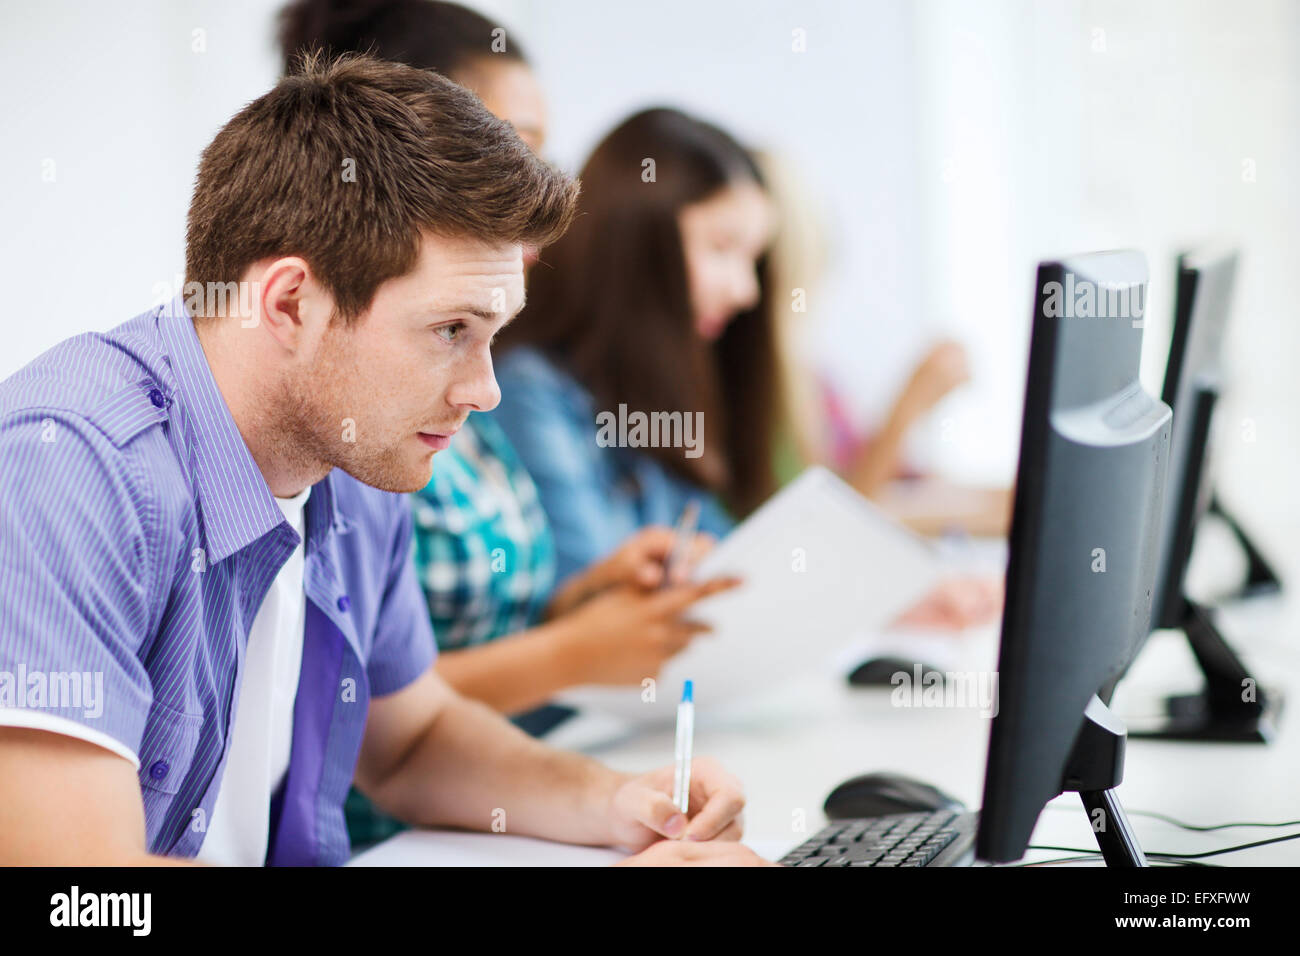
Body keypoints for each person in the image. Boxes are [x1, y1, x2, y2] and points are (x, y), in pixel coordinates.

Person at [0, 55, 767, 867]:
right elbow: (80, 896)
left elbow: (413, 740)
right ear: (289, 303)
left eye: (493, 337)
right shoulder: (65, 472)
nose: (486, 392)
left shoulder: (357, 451)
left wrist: (619, 805)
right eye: (451, 333)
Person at [277, 0, 740, 849]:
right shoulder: (342, 420)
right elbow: (367, 713)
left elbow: (409, 702)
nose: (537, 181)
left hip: (478, 823)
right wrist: (577, 651)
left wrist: (583, 601)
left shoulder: (454, 386)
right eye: (510, 146)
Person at [493, 107, 1000, 627]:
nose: (745, 291)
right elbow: (601, 618)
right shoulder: (529, 390)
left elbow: (733, 567)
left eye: (752, 259)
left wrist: (890, 605)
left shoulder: (650, 393)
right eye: (721, 248)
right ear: (637, 244)